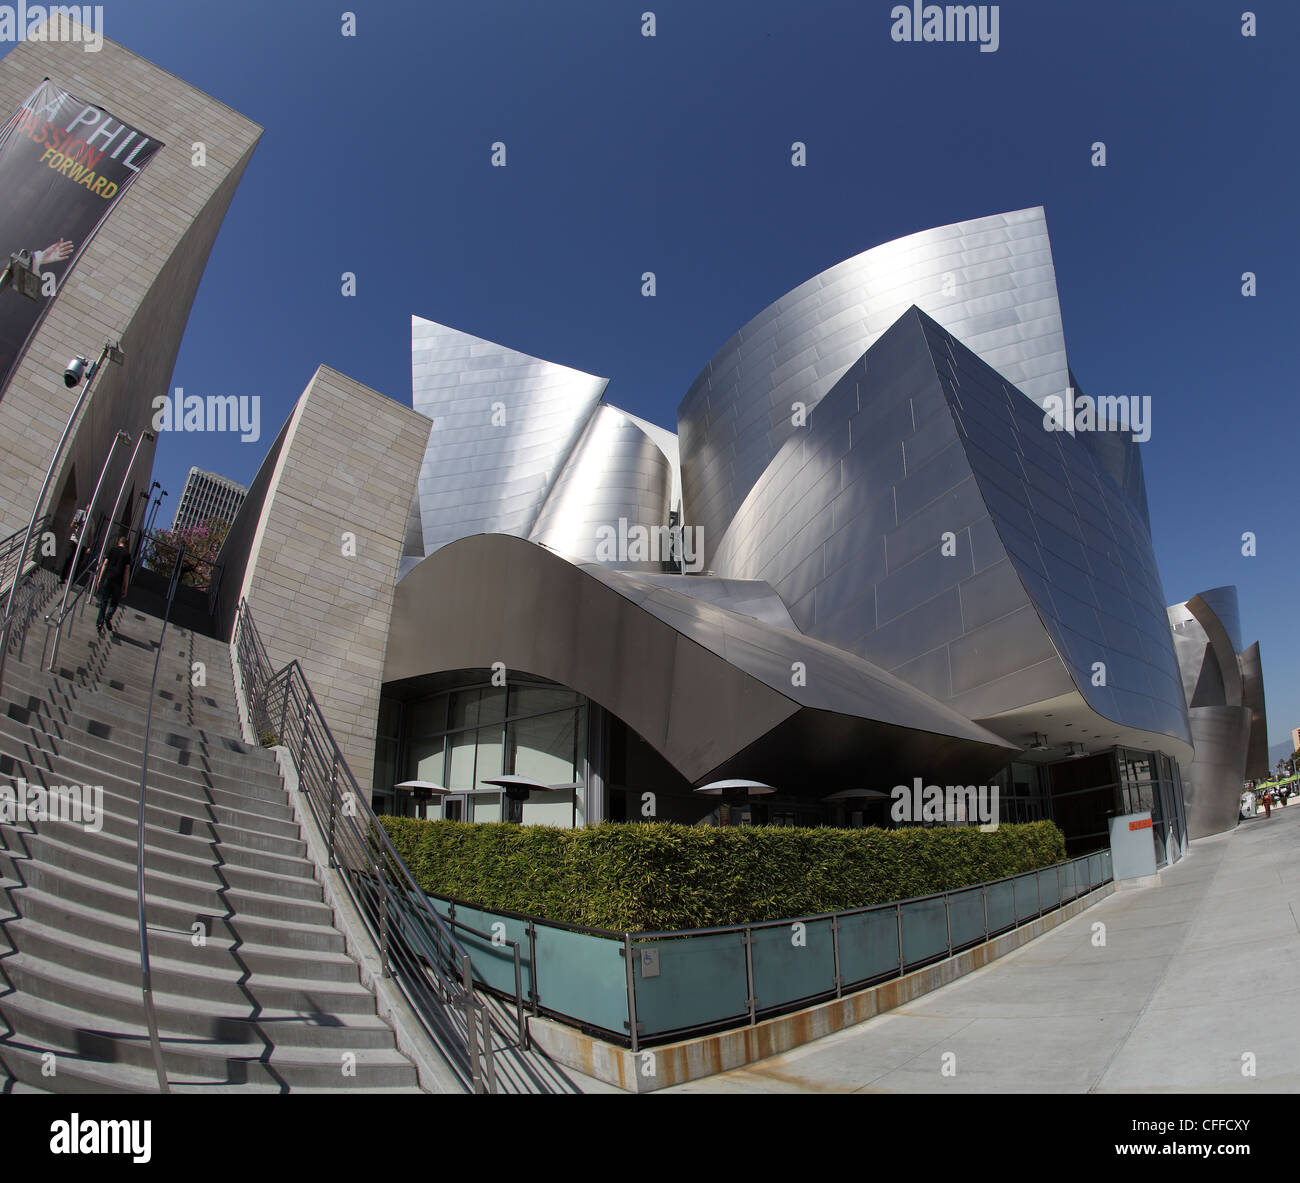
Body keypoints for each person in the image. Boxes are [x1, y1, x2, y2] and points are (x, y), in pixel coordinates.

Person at [94, 534, 131, 635]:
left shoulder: (112, 549)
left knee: (104, 600)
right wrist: (126, 586)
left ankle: (99, 623)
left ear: (119, 542)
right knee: (114, 602)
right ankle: (108, 616)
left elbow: (105, 563)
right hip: (118, 580)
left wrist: (100, 578)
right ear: (126, 545)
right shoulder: (127, 555)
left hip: (109, 577)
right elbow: (127, 571)